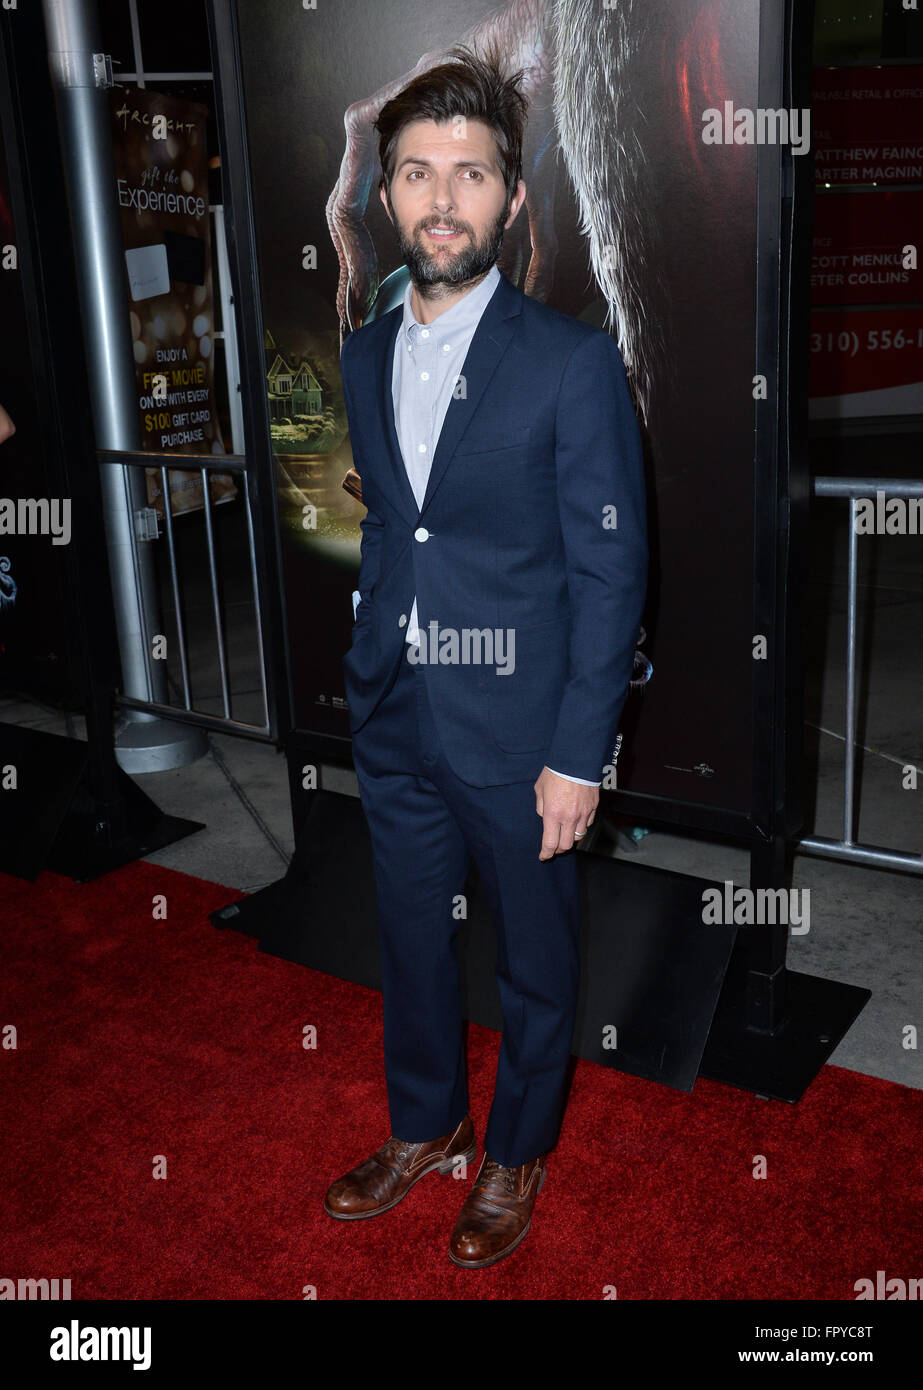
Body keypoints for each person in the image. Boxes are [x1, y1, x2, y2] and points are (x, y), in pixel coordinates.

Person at [325, 42, 647, 1269]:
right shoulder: (361, 354)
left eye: (469, 174)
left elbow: (612, 569)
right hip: (395, 707)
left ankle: (515, 1150)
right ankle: (427, 1125)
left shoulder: (569, 362)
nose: (440, 198)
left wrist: (580, 753)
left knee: (534, 954)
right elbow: (397, 523)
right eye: (416, 172)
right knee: (408, 934)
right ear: (387, 193)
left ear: (511, 199)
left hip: (523, 733)